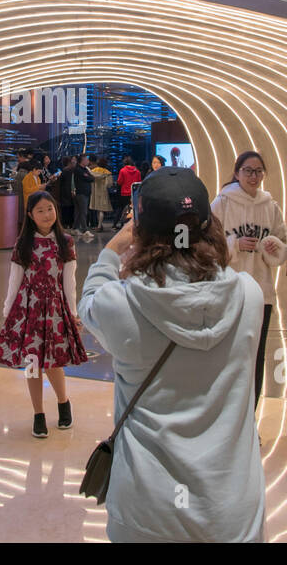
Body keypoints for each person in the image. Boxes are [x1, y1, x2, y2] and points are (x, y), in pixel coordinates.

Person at [78, 168, 264, 542]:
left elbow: (88, 303)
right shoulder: (248, 295)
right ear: (209, 226)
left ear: (142, 233)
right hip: (231, 509)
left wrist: (112, 252)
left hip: (147, 509)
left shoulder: (122, 305)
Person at [0, 191, 87, 437]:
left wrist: (73, 313)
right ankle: (38, 414)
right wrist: (8, 311)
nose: (47, 215)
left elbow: (69, 282)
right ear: (31, 216)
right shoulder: (23, 244)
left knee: (54, 363)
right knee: (33, 364)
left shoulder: (65, 242)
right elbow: (15, 281)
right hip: (28, 310)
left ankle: (63, 403)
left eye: (50, 209)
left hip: (55, 310)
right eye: (40, 211)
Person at [212, 151, 287, 414]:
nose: (253, 176)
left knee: (256, 356)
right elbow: (207, 247)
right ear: (237, 173)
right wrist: (234, 244)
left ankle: (249, 419)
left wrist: (271, 247)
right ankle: (225, 417)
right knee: (228, 357)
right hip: (229, 291)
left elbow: (281, 244)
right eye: (248, 171)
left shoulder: (270, 206)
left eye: (258, 171)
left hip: (261, 292)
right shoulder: (222, 203)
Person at [112, 156, 141, 229]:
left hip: (124, 193)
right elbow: (139, 182)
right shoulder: (137, 171)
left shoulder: (123, 170)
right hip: (134, 193)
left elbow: (119, 181)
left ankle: (117, 224)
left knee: (121, 209)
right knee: (134, 209)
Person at [71, 154, 94, 240]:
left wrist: (89, 176)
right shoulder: (78, 170)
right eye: (86, 160)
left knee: (78, 212)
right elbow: (89, 178)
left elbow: (92, 178)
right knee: (83, 212)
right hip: (81, 193)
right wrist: (89, 177)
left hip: (85, 193)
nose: (88, 161)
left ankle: (75, 228)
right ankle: (85, 230)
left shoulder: (85, 169)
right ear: (82, 160)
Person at [88, 155, 112, 230]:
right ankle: (99, 225)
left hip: (95, 192)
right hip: (103, 192)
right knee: (101, 210)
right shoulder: (107, 173)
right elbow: (109, 185)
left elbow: (90, 178)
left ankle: (99, 225)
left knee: (98, 210)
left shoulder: (94, 171)